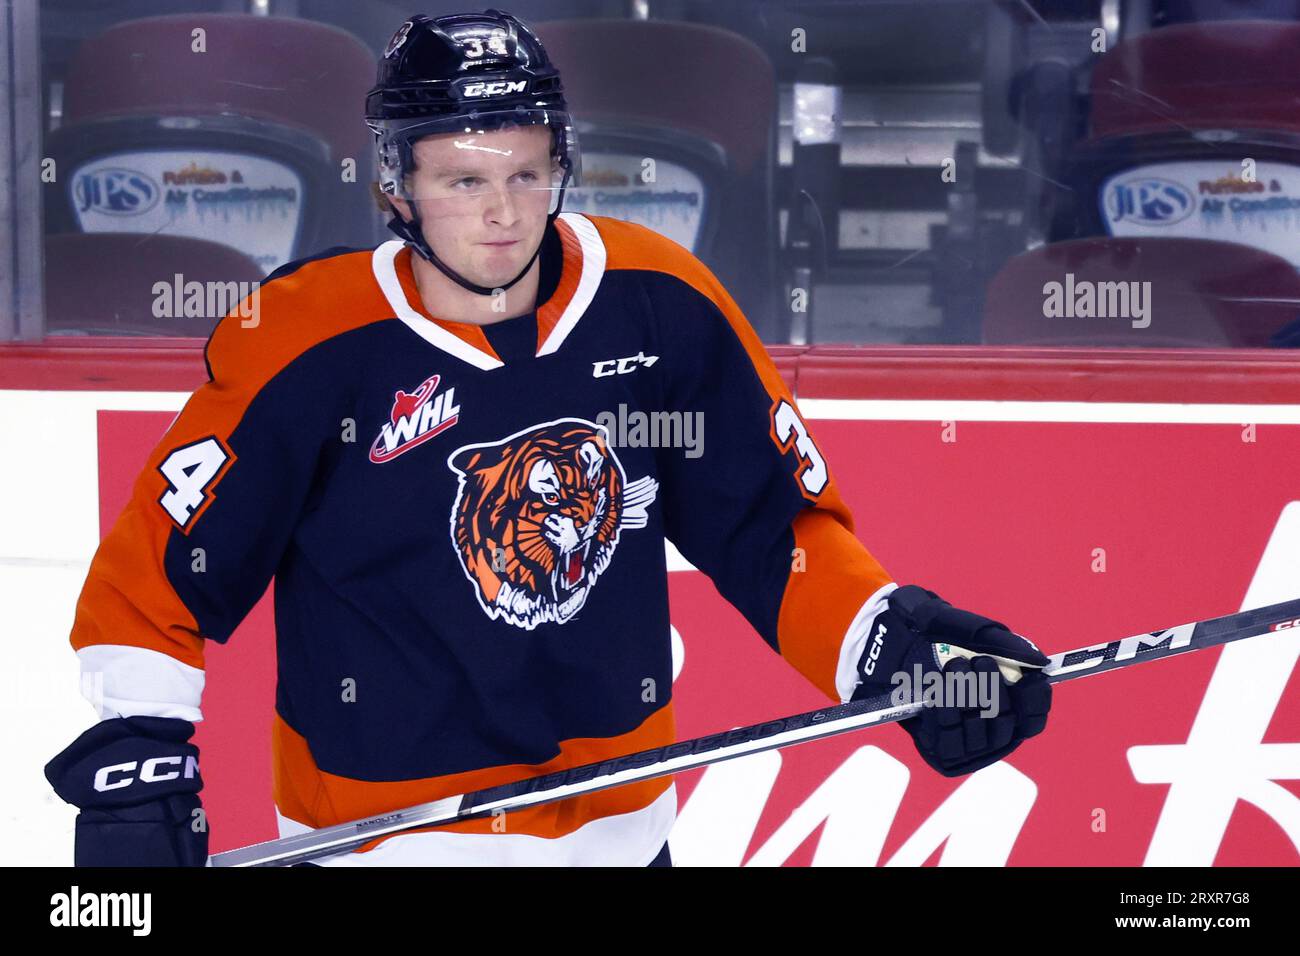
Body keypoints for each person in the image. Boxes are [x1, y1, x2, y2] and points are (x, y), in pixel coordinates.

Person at [43, 9, 1051, 868]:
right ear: (395, 184)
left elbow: (768, 532)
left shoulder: (658, 304)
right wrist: (138, 746)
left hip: (620, 832)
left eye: (527, 173)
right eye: (464, 181)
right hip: (376, 846)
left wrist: (884, 639)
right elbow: (165, 568)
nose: (503, 215)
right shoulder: (309, 340)